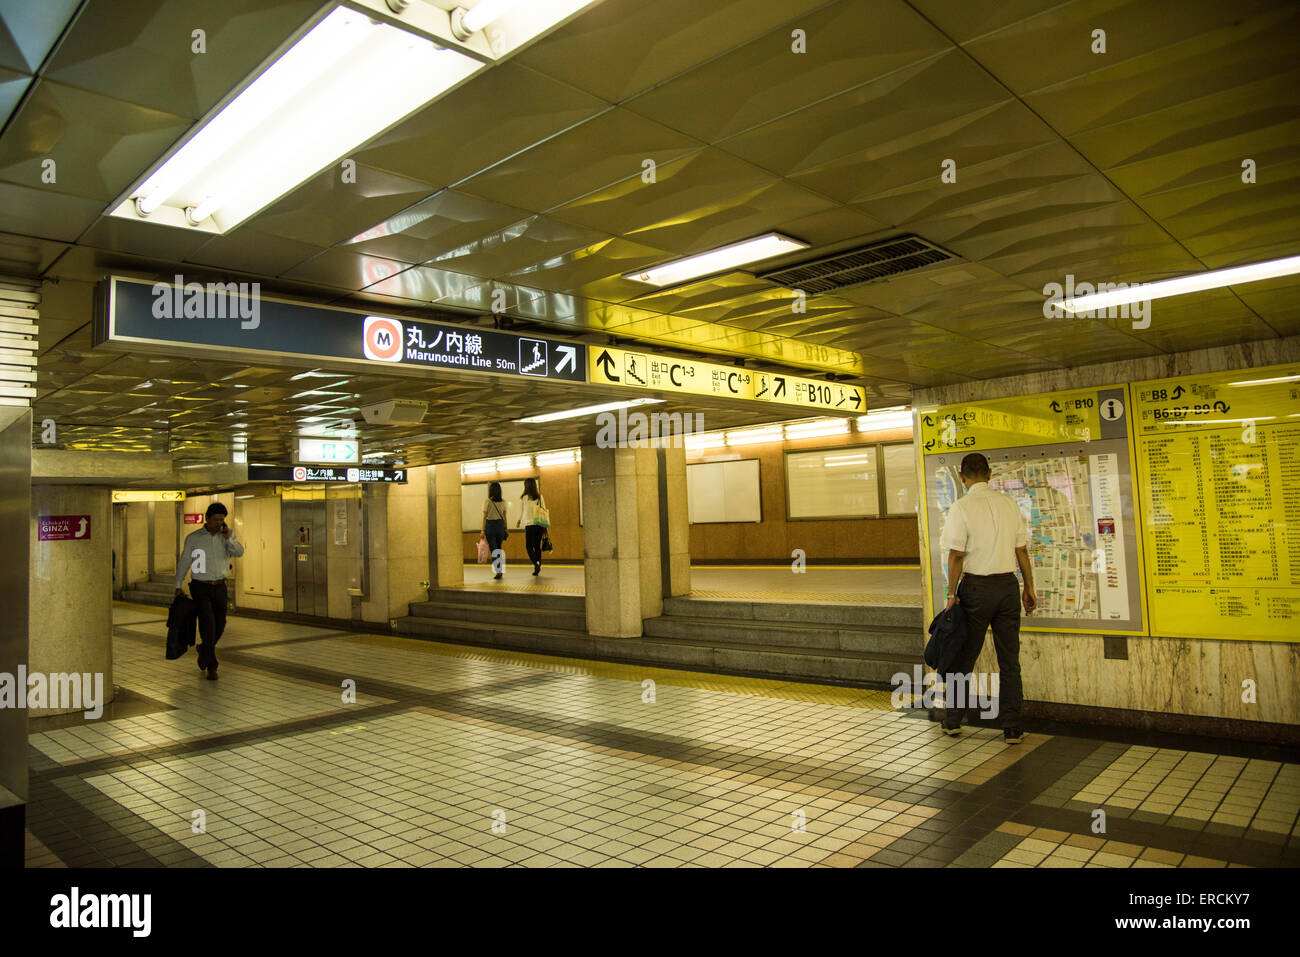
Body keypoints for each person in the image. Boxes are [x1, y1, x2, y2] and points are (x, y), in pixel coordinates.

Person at [938, 453, 1037, 744]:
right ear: (990, 474)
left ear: (962, 477)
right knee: (1010, 660)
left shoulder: (962, 507)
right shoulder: (1009, 504)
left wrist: (951, 595)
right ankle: (1012, 727)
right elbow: (1021, 551)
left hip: (976, 591)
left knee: (963, 656)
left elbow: (956, 554)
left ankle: (954, 721)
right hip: (1007, 588)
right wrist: (1028, 587)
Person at [174, 502, 244, 680]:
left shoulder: (226, 536)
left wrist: (228, 537)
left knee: (220, 624)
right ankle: (212, 665)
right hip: (200, 586)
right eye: (216, 519)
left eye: (222, 520)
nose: (219, 523)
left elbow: (239, 552)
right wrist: (177, 584)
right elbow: (184, 561)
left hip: (220, 585)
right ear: (207, 519)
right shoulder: (194, 538)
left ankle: (204, 648)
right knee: (208, 624)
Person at [517, 477, 547, 577]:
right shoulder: (539, 497)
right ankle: (538, 565)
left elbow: (522, 511)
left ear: (526, 486)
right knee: (537, 547)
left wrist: (519, 520)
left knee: (529, 547)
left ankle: (536, 564)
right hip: (539, 525)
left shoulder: (524, 498)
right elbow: (544, 509)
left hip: (529, 525)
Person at [482, 482, 508, 580]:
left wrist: (482, 530)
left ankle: (499, 571)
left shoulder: (487, 501)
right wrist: (506, 528)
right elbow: (505, 517)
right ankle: (500, 570)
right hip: (500, 526)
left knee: (493, 549)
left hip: (491, 526)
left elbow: (484, 517)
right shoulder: (503, 502)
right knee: (499, 548)